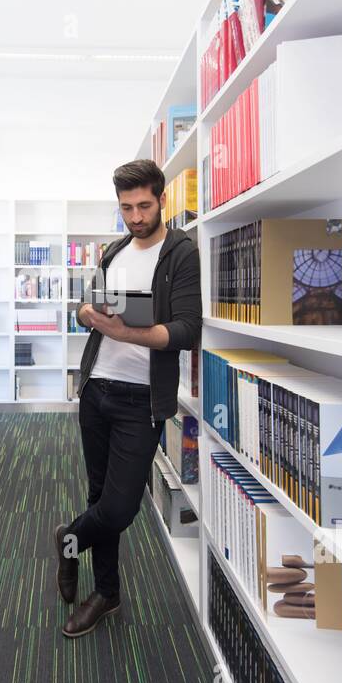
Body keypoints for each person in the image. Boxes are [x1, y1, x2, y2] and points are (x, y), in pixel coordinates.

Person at [57, 159, 201, 638]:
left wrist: (129, 332)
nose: (136, 216)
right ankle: (107, 592)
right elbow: (91, 307)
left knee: (120, 508)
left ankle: (70, 539)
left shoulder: (182, 252)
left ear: (162, 199)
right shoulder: (115, 251)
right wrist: (85, 311)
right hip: (96, 388)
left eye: (143, 205)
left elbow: (185, 330)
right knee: (99, 494)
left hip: (142, 399)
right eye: (126, 208)